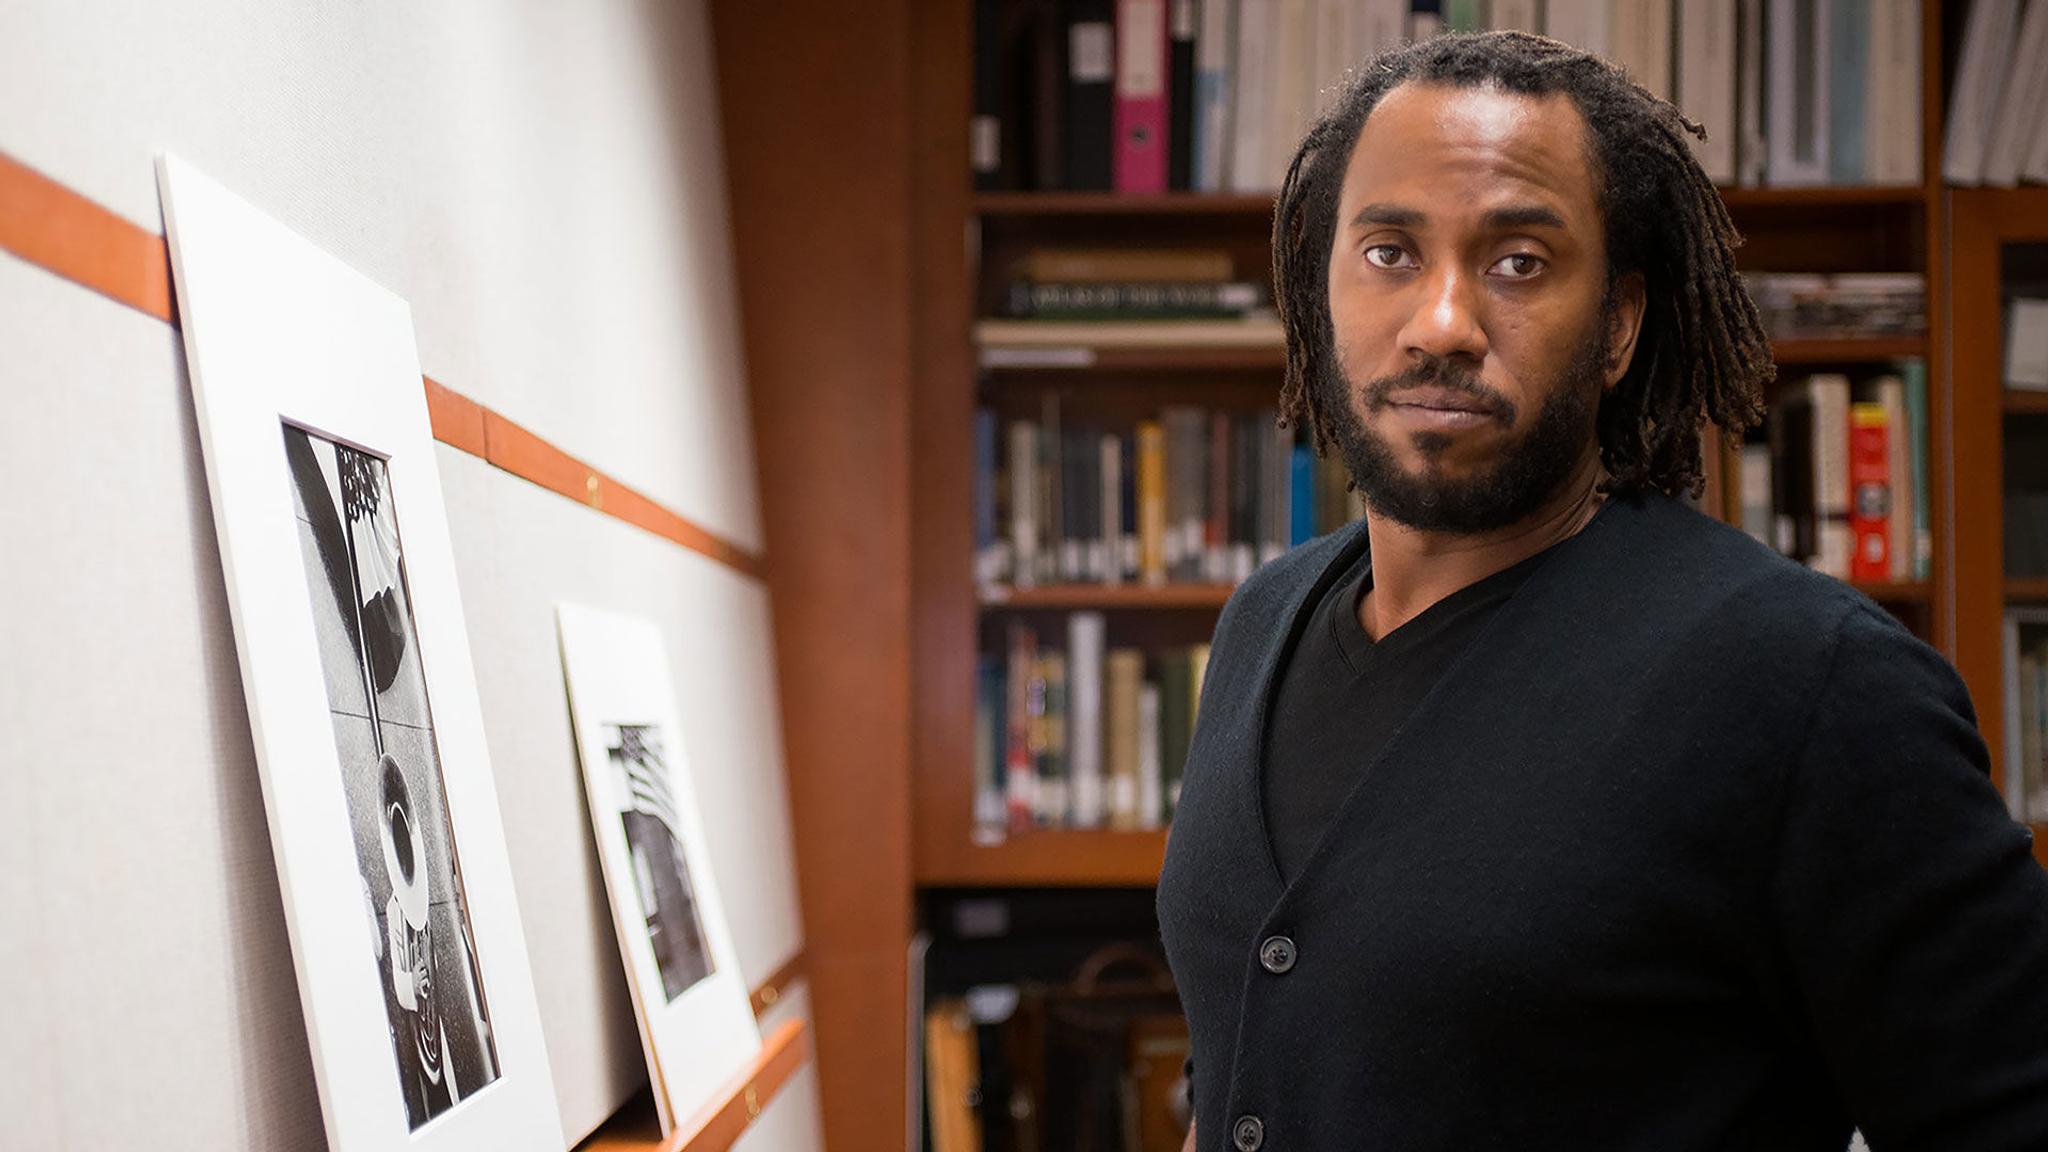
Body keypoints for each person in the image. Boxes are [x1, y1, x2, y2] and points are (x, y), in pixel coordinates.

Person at [1155, 30, 2048, 1152]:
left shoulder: (1807, 686)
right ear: (1317, 286)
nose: (1441, 323)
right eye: (1387, 252)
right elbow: (1242, 1073)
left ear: (1617, 325)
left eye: (1517, 261)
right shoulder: (1260, 623)